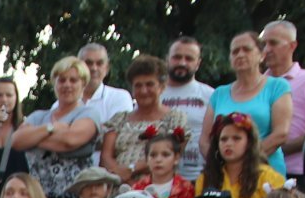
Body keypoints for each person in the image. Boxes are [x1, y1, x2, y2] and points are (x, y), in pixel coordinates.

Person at [15, 55, 102, 198]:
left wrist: (35, 137)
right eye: (62, 80)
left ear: (83, 84)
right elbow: (17, 141)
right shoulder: (39, 116)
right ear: (54, 83)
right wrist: (51, 128)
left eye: (73, 80)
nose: (67, 85)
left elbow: (70, 141)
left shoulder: (89, 113)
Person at [206, 30, 294, 176]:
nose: (240, 54)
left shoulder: (278, 86)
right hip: (225, 175)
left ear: (262, 55)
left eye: (246, 49)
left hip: (266, 172)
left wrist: (241, 161)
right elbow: (205, 139)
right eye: (235, 52)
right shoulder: (219, 94)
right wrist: (220, 163)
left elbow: (281, 133)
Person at [260, 20, 305, 182]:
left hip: (297, 171)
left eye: (273, 43)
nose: (266, 49)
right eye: (263, 44)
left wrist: (281, 149)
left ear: (292, 46)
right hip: (259, 170)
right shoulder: (257, 83)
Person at [100, 55, 173, 183]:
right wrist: (119, 173)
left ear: (162, 87)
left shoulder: (174, 118)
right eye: (138, 85)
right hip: (118, 185)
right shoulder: (119, 119)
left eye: (150, 84)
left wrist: (131, 170)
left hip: (156, 187)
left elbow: (172, 154)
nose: (144, 91)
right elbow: (105, 156)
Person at [161, 36, 215, 182]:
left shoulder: (211, 95)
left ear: (198, 63)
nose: (182, 63)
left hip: (200, 177)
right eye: (177, 57)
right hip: (160, 178)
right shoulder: (153, 94)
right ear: (167, 59)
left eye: (189, 58)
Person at [78, 41, 134, 123]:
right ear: (78, 67)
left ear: (107, 69)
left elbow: (119, 132)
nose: (94, 68)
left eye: (99, 63)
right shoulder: (62, 103)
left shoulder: (119, 98)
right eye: (89, 63)